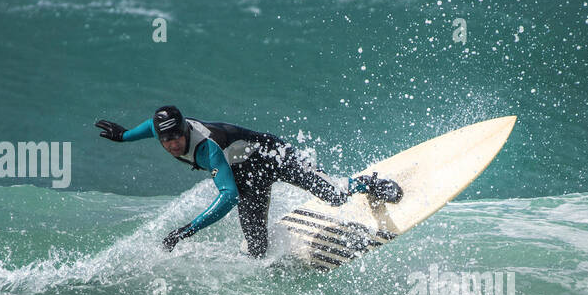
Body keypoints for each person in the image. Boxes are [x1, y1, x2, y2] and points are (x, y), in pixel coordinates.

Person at [95, 106, 402, 255]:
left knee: (333, 196)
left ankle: (367, 183)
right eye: (166, 139)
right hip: (246, 175)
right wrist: (122, 136)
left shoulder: (207, 149)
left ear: (186, 130)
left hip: (272, 155)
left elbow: (227, 196)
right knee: (257, 249)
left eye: (177, 137)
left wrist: (186, 231)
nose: (172, 144)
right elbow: (150, 126)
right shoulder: (163, 130)